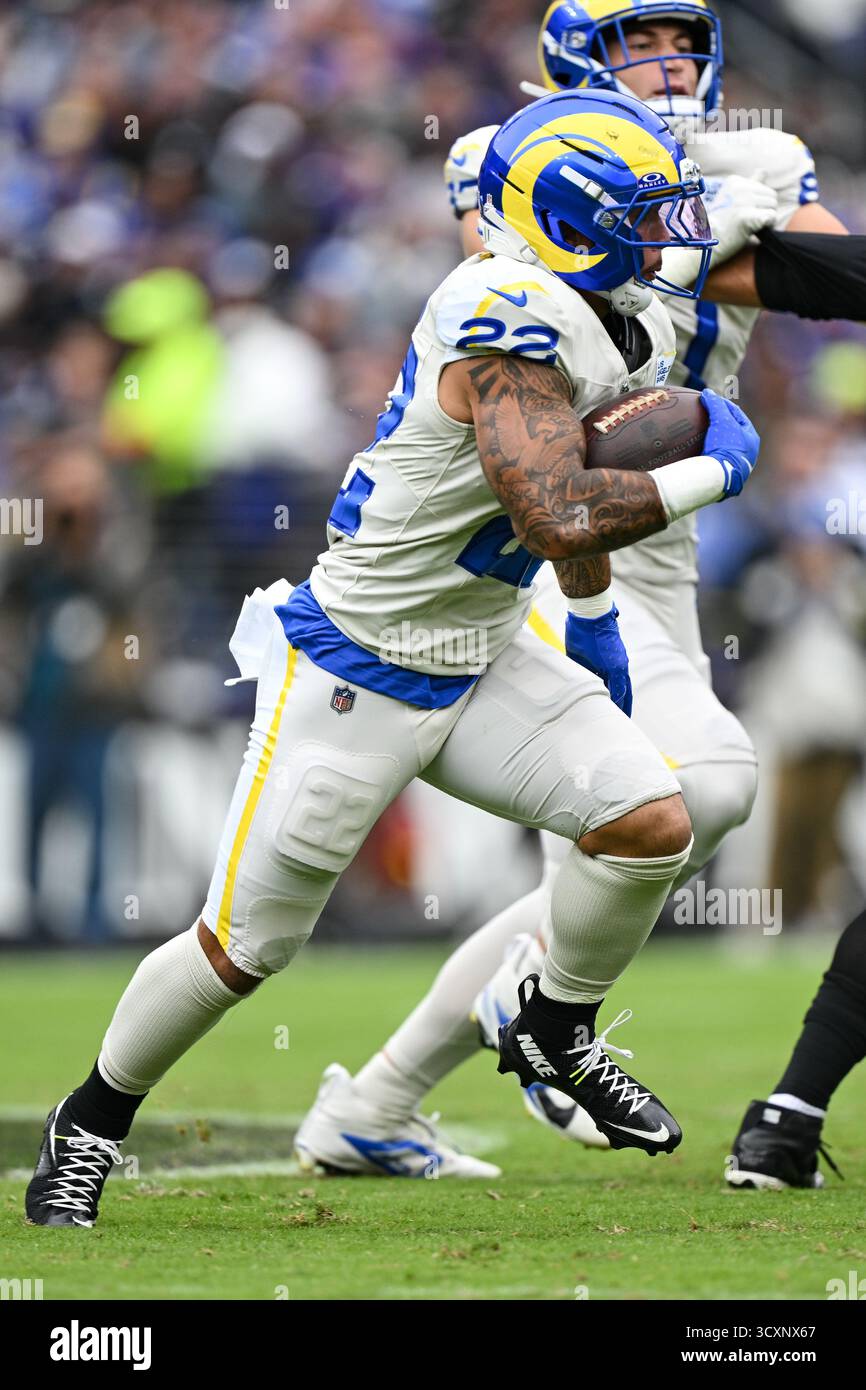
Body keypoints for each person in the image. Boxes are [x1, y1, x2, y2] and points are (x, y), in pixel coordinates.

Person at [26, 86, 761, 1223]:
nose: (664, 239)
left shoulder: (611, 312)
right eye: (638, 217)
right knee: (242, 950)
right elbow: (555, 509)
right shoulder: (504, 312)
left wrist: (594, 625)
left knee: (649, 820)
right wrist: (714, 470)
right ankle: (89, 1124)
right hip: (360, 667)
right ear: (570, 223)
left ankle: (553, 1022)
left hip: (485, 648)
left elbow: (563, 501)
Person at [296, 0, 863, 1177]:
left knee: (623, 847)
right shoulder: (513, 156)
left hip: (667, 550)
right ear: (573, 58)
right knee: (699, 785)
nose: (664, 62)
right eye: (632, 43)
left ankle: (381, 1099)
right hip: (560, 529)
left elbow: (836, 272)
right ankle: (538, 1012)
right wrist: (690, 228)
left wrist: (718, 214)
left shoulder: (755, 157)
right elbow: (563, 288)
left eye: (678, 40)